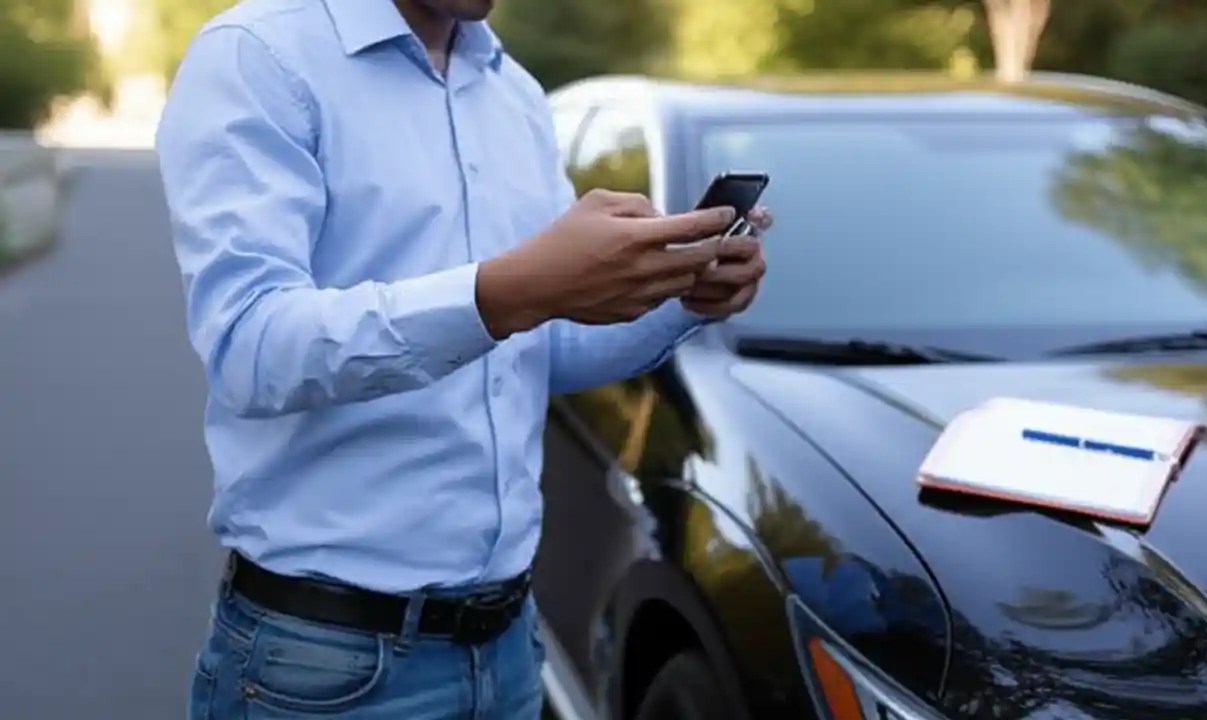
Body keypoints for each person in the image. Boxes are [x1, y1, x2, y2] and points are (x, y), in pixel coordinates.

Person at [155, 0, 770, 717]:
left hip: (508, 649)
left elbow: (538, 345)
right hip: (325, 669)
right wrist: (509, 291)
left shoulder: (513, 94)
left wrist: (682, 298)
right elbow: (250, 347)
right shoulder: (258, 55)